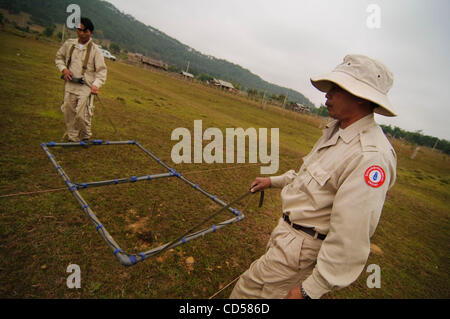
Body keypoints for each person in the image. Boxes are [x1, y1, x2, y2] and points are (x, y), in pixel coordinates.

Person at [230, 54, 397, 299]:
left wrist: (309, 291)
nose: (327, 94)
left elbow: (350, 236)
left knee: (244, 295)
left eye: (336, 88)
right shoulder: (336, 131)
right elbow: (307, 178)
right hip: (287, 241)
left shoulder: (370, 156)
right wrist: (272, 181)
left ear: (362, 98)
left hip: (302, 251)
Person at [55, 17, 107, 142]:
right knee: (68, 110)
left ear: (91, 33)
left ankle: (85, 136)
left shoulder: (96, 51)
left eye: (85, 31)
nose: (81, 33)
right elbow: (59, 58)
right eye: (79, 30)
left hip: (86, 86)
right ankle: (72, 137)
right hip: (70, 83)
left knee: (81, 114)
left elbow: (101, 71)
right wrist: (64, 69)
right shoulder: (69, 44)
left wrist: (96, 85)